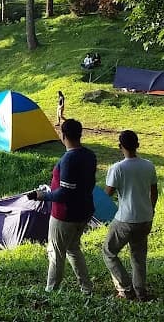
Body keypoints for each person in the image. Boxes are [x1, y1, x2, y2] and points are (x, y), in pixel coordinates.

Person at [28, 119, 97, 294]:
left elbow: (64, 193)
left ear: (63, 135)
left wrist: (42, 195)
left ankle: (51, 291)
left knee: (55, 254)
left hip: (65, 214)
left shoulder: (68, 159)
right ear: (80, 134)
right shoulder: (90, 155)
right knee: (73, 248)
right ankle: (87, 288)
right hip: (85, 210)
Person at [102, 130, 158, 301]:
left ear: (120, 147)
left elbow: (108, 193)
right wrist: (151, 209)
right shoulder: (149, 165)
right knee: (139, 256)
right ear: (138, 145)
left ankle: (126, 288)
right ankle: (141, 292)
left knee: (109, 251)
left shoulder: (117, 168)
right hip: (145, 218)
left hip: (125, 219)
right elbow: (154, 191)